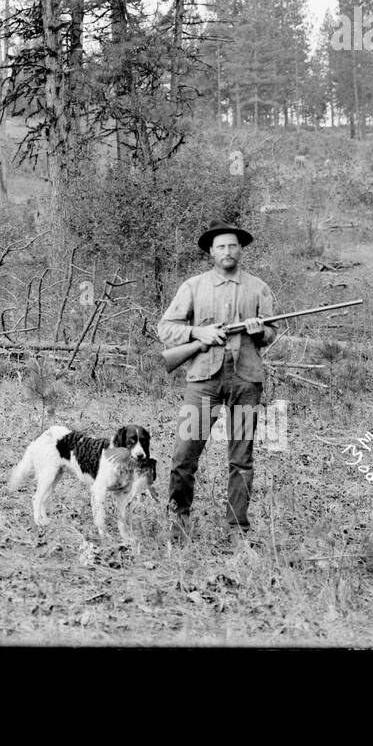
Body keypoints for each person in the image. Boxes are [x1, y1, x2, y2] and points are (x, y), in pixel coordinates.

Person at [156, 219, 277, 542]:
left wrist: (259, 330)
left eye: (233, 245)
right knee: (184, 455)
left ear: (241, 250)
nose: (227, 251)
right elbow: (166, 329)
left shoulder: (258, 287)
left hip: (245, 381)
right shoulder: (193, 286)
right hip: (202, 381)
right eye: (221, 246)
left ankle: (237, 529)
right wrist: (199, 332)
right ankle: (178, 523)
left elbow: (271, 334)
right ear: (211, 252)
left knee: (241, 460)